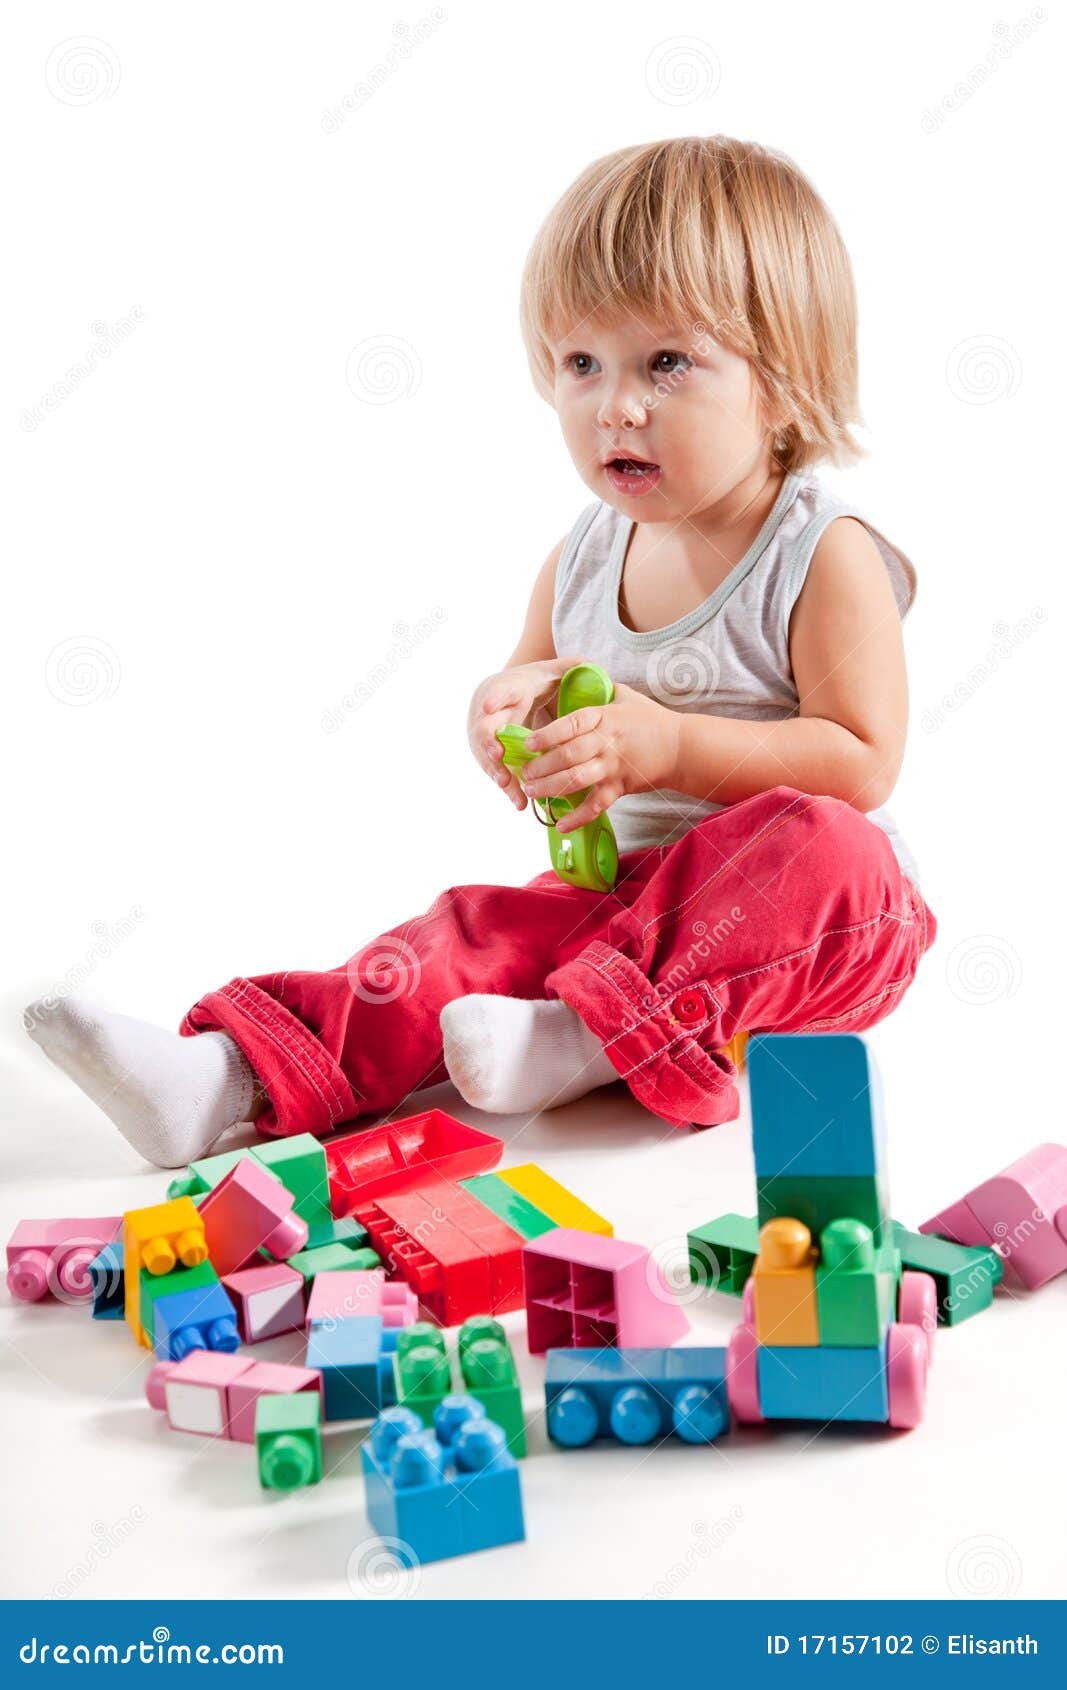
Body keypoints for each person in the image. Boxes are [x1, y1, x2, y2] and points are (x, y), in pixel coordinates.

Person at [25, 135, 937, 1168]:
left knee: (832, 851)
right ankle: (230, 1076)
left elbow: (860, 761)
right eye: (580, 363)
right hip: (620, 906)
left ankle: (584, 1034)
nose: (614, 404)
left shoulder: (819, 552)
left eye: (666, 363)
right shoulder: (584, 557)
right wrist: (505, 720)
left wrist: (668, 748)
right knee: (464, 933)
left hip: (816, 934)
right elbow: (531, 683)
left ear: (781, 381)